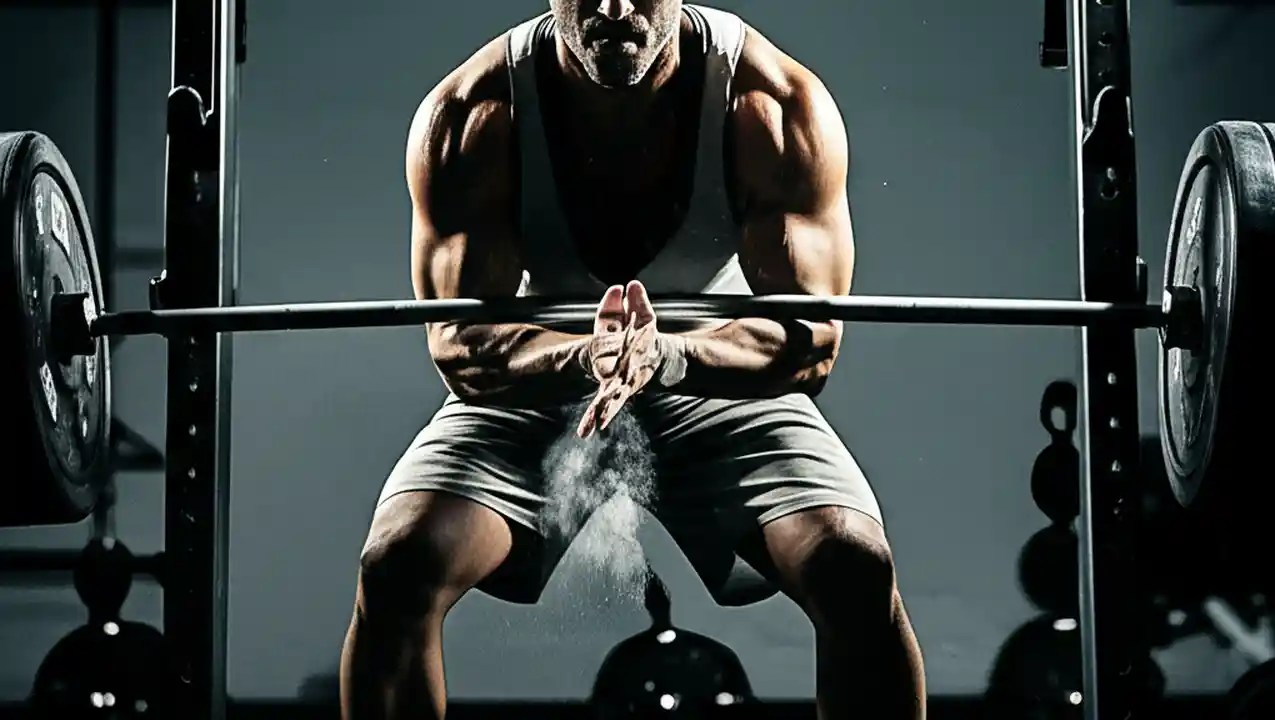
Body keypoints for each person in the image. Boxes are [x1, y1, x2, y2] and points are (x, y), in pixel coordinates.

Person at [339, 2, 927, 718]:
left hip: (713, 364)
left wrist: (670, 356)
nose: (615, 9)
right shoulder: (475, 114)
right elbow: (462, 350)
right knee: (397, 564)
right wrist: (588, 356)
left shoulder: (771, 105)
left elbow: (809, 346)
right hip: (544, 362)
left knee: (854, 565)